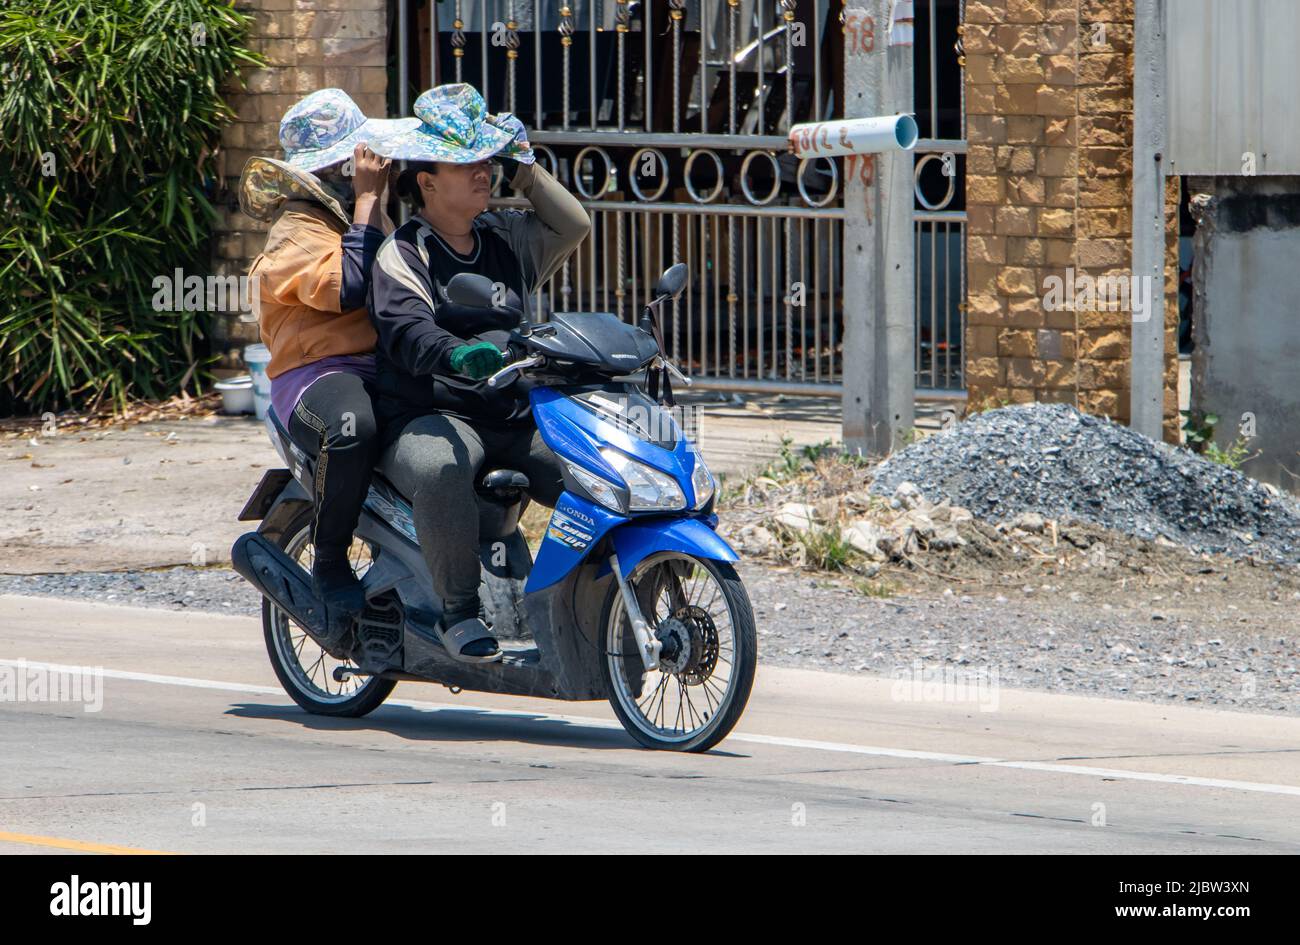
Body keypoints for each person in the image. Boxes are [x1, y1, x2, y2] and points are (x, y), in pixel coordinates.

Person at [367, 84, 590, 663]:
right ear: (428, 182)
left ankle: (579, 604)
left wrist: (527, 170)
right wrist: (456, 353)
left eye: (485, 160)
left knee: (589, 470)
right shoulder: (405, 251)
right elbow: (405, 331)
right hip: (429, 413)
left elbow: (574, 226)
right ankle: (458, 614)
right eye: (465, 162)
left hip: (510, 411)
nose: (481, 172)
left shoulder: (506, 238)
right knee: (443, 466)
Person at [240, 89, 417, 624]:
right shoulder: (296, 232)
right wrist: (367, 201)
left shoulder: (352, 221)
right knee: (351, 426)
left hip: (379, 368)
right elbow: (350, 287)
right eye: (358, 161)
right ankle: (331, 558)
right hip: (317, 377)